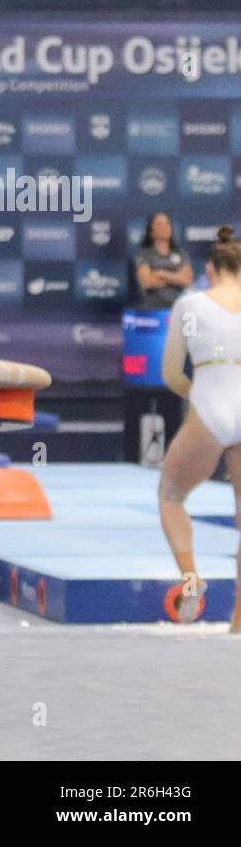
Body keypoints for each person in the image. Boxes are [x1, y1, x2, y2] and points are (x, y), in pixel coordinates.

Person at [157, 225, 241, 630]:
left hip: (210, 403)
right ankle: (240, 618)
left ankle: (191, 576)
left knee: (171, 497)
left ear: (209, 268)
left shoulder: (189, 305)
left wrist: (198, 396)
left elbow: (172, 373)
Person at [134, 211, 193, 309]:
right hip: (153, 311)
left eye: (167, 223)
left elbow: (187, 280)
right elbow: (147, 282)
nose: (164, 227)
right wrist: (176, 277)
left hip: (178, 310)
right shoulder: (144, 254)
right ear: (151, 230)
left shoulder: (180, 253)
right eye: (159, 224)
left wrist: (161, 274)